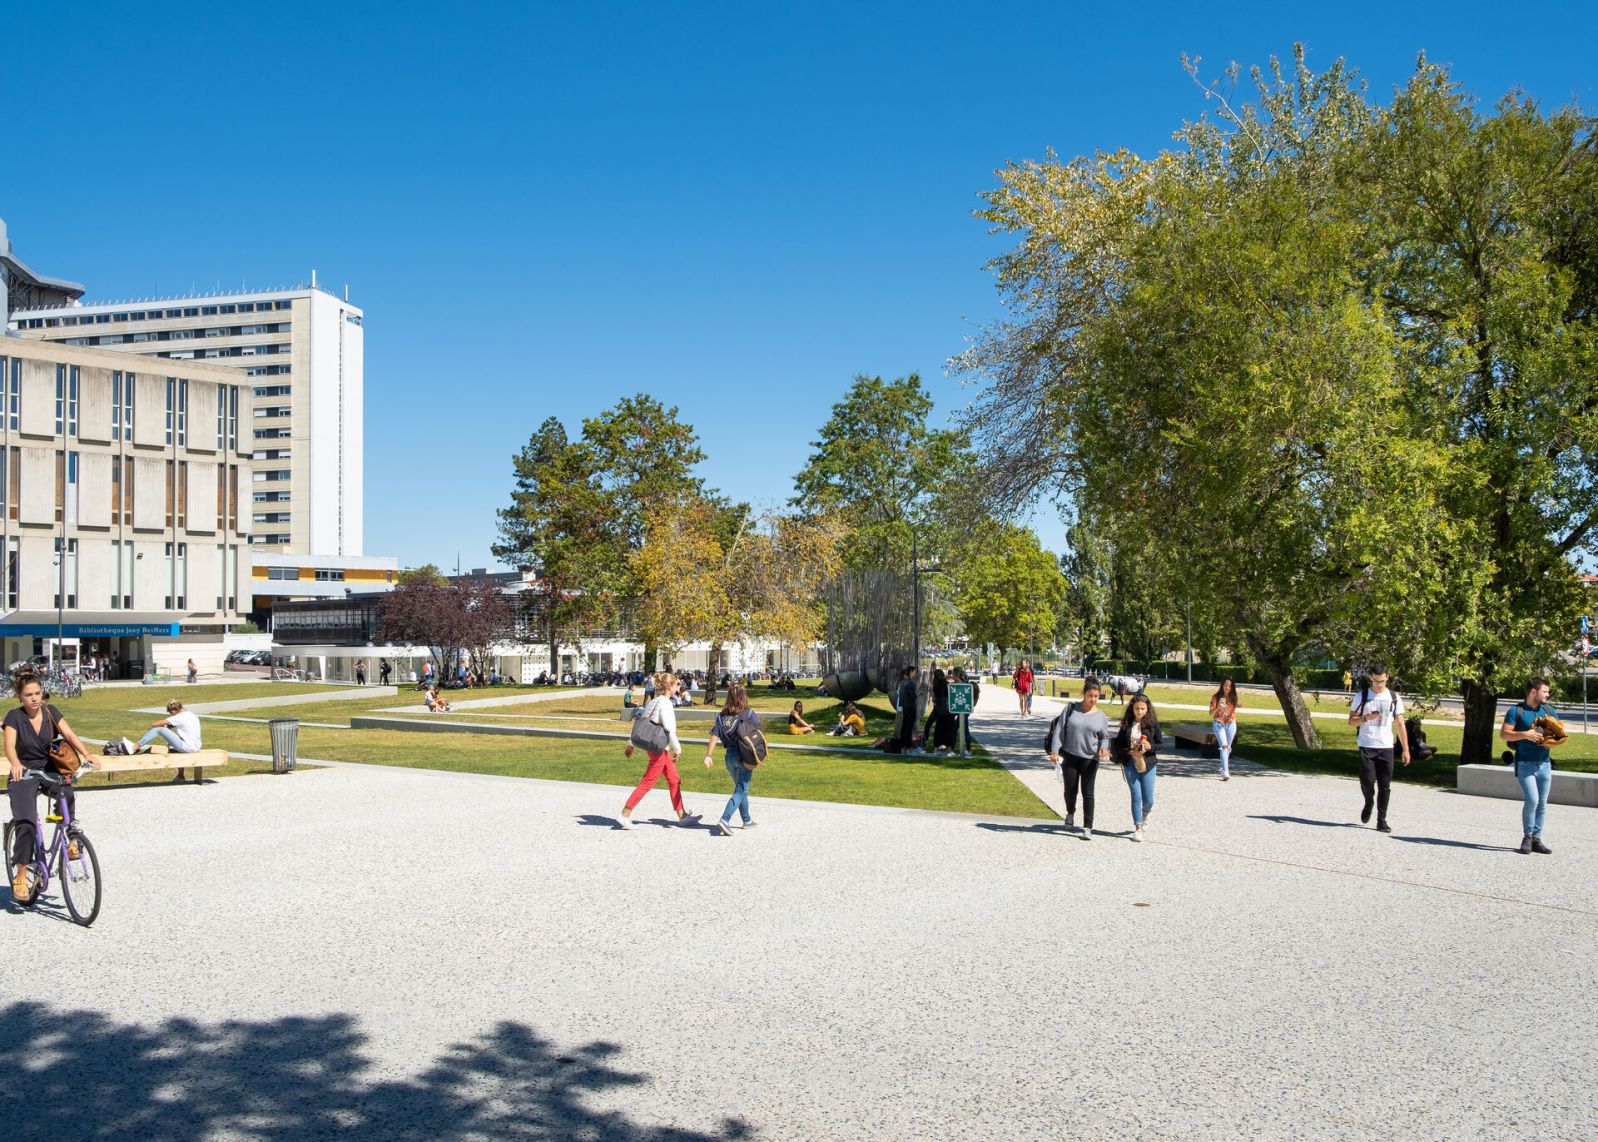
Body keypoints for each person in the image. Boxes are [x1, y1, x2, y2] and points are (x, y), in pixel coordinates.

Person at [6, 669, 92, 901]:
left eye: (37, 693)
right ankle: (21, 872)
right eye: (28, 695)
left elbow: (69, 734)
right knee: (26, 823)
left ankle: (70, 837)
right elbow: (10, 745)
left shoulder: (50, 711)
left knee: (67, 791)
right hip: (24, 772)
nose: (34, 698)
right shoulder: (14, 716)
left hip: (48, 769)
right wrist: (15, 764)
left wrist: (86, 754)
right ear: (20, 696)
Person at [617, 672, 699, 829]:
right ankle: (625, 814)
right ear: (669, 686)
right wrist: (678, 749)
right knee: (648, 782)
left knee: (674, 779)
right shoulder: (665, 703)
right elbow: (669, 729)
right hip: (659, 749)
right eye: (677, 685)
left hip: (657, 748)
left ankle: (682, 816)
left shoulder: (654, 701)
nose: (679, 688)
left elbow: (642, 724)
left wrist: (631, 744)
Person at [1045, 676, 1114, 838]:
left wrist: (1104, 748)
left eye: (1096, 696)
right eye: (1090, 696)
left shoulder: (1101, 716)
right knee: (1070, 790)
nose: (1093, 699)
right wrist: (1055, 751)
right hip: (1069, 755)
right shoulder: (1071, 709)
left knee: (1088, 792)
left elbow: (1105, 737)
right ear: (1084, 694)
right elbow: (1059, 731)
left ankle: (1087, 827)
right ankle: (1070, 813)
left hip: (1090, 758)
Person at [1347, 665, 1410, 833]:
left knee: (1385, 785)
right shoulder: (1362, 696)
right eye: (1375, 681)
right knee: (1367, 782)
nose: (1378, 684)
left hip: (1386, 747)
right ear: (1370, 677)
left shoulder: (1394, 697)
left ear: (1387, 677)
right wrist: (1365, 718)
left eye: (1381, 681)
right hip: (1367, 745)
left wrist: (1405, 749)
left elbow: (1400, 724)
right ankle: (1369, 802)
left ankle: (1381, 820)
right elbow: (1351, 722)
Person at [1500, 677, 1558, 855]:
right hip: (1525, 763)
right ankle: (1527, 837)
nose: (1547, 695)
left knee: (1542, 803)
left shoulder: (1548, 710)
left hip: (1544, 764)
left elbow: (1558, 733)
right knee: (1532, 800)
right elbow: (1504, 734)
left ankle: (1536, 839)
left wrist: (1551, 741)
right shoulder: (1516, 711)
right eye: (1545, 691)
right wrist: (1525, 734)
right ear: (1534, 692)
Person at [704, 682, 761, 835]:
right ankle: (725, 819)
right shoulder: (749, 713)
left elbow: (714, 736)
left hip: (729, 757)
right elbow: (757, 734)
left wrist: (708, 755)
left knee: (740, 788)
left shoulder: (722, 716)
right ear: (744, 696)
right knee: (741, 789)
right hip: (744, 756)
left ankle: (747, 820)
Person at [1115, 694, 1163, 841]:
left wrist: (1150, 746)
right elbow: (1118, 745)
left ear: (1148, 709)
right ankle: (1138, 828)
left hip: (1148, 763)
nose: (1140, 712)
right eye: (1137, 708)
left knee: (1148, 799)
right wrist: (1129, 751)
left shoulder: (1152, 724)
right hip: (1130, 763)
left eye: (1143, 708)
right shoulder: (1126, 724)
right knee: (1136, 795)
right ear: (1132, 708)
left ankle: (1146, 813)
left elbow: (1160, 744)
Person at [136, 699, 204, 781]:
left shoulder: (178, 717)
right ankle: (180, 776)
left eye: (170, 713)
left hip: (187, 747)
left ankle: (136, 746)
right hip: (196, 746)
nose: (171, 714)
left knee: (158, 729)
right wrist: (168, 726)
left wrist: (165, 725)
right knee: (176, 744)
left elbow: (154, 724)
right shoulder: (191, 715)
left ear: (173, 710)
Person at [1210, 677, 1240, 781]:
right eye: (1225, 685)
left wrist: (1239, 704)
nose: (1227, 687)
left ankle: (1222, 767)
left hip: (1231, 724)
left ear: (1232, 687)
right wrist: (1217, 707)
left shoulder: (1233, 697)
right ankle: (1225, 771)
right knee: (1224, 746)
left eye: (1229, 686)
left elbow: (1240, 704)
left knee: (1227, 748)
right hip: (1219, 724)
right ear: (1222, 685)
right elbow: (1210, 713)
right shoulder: (1216, 697)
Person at [893, 666, 919, 754]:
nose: (915, 674)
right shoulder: (910, 684)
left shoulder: (902, 683)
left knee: (904, 727)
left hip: (903, 708)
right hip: (910, 708)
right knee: (908, 728)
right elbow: (912, 697)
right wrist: (918, 695)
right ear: (910, 672)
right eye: (914, 672)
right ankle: (908, 746)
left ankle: (903, 746)